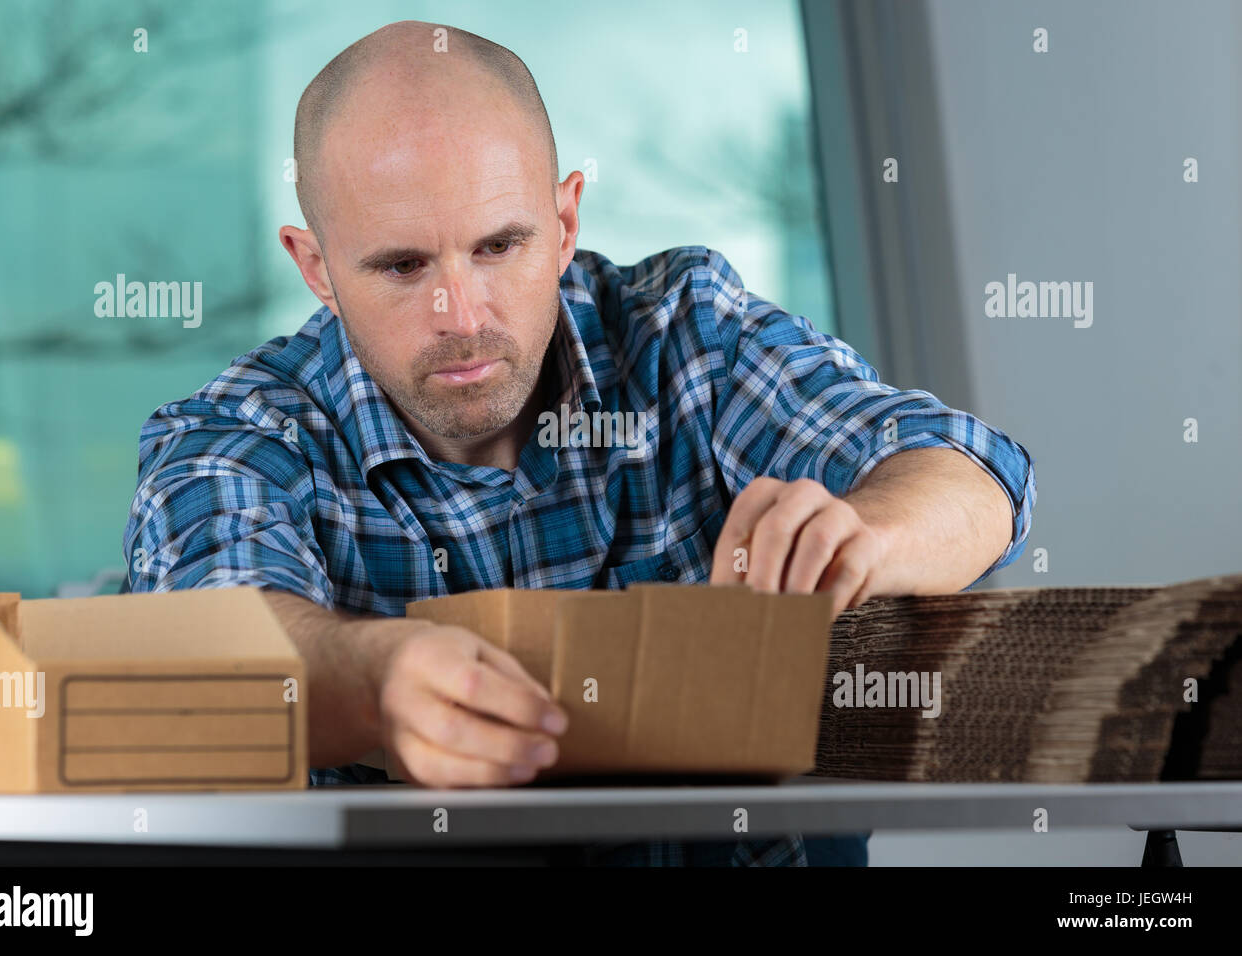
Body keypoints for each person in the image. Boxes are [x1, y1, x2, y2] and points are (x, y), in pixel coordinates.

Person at [122, 20, 1036, 867]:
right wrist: (375, 677)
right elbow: (215, 656)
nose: (462, 317)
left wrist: (866, 534)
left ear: (564, 225)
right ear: (315, 267)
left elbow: (971, 475)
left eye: (499, 246)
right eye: (402, 266)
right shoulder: (239, 434)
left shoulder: (688, 334)